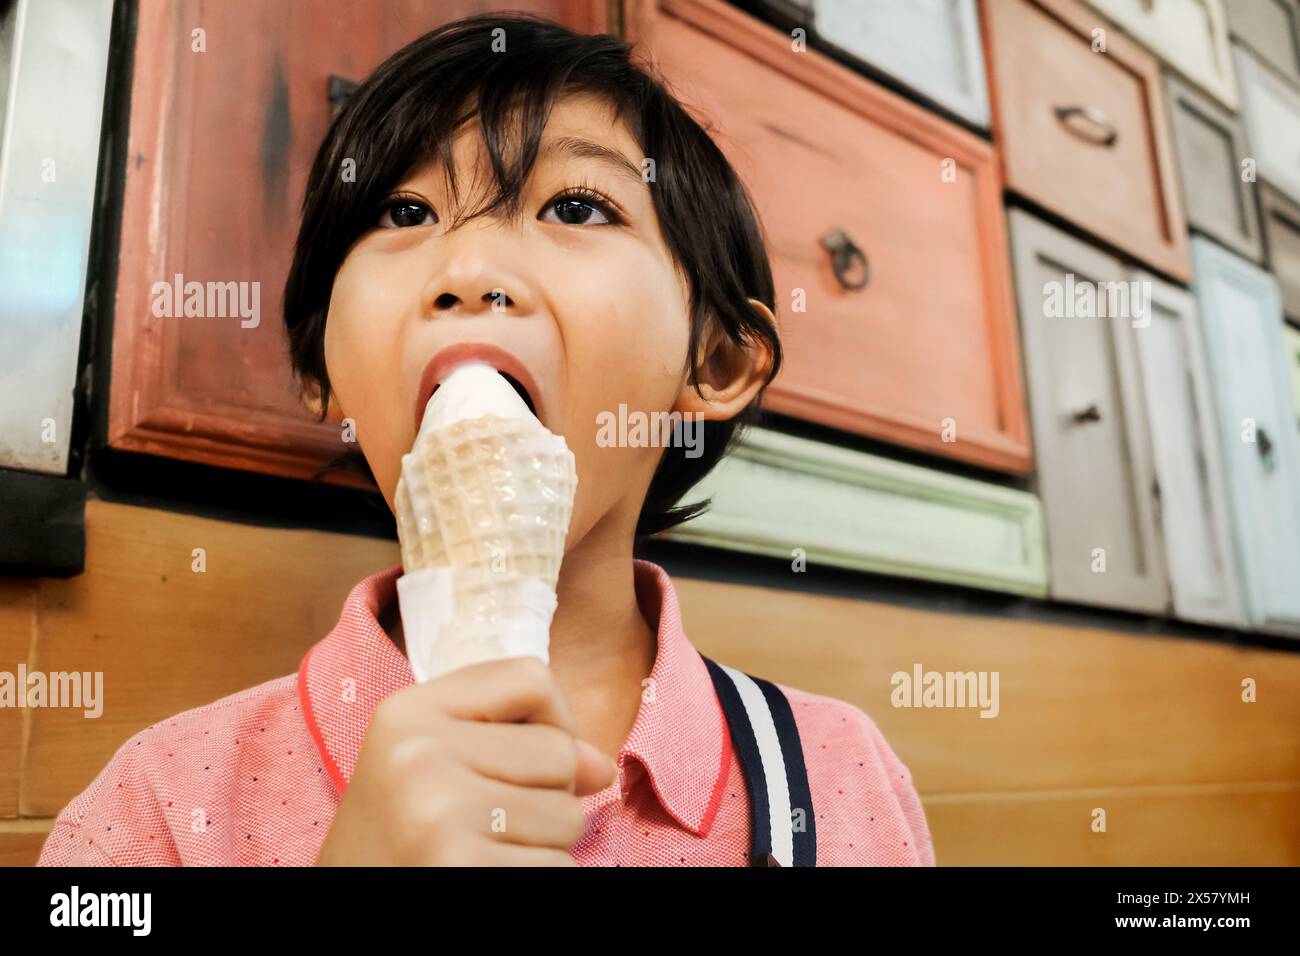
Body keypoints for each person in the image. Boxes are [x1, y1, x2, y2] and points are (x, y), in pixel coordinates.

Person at [38, 12, 933, 867]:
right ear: (321, 371)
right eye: (403, 213)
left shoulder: (837, 776)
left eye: (576, 209)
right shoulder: (155, 812)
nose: (468, 273)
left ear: (719, 359)